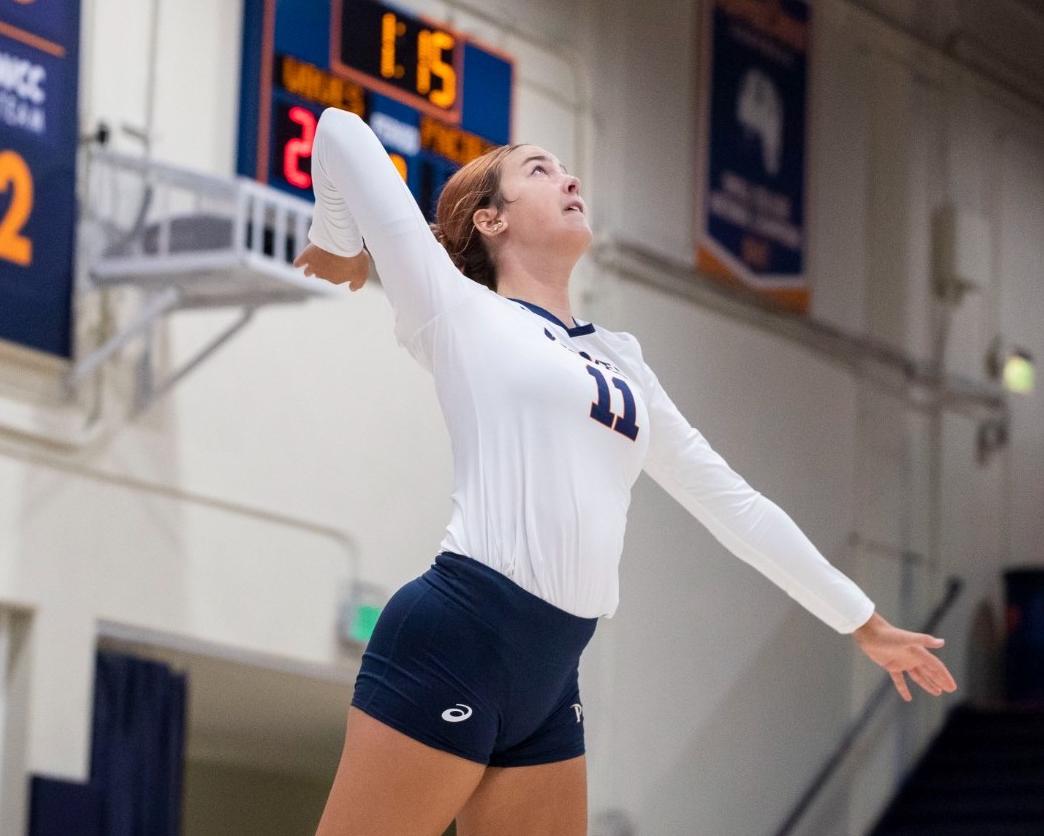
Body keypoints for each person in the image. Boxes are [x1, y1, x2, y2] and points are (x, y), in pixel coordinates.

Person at [292, 108, 955, 836]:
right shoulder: (454, 308)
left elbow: (731, 502)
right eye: (539, 171)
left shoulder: (621, 361)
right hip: (458, 634)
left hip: (552, 670)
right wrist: (339, 240)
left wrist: (860, 620)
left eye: (565, 168)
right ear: (490, 221)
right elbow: (338, 130)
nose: (569, 178)